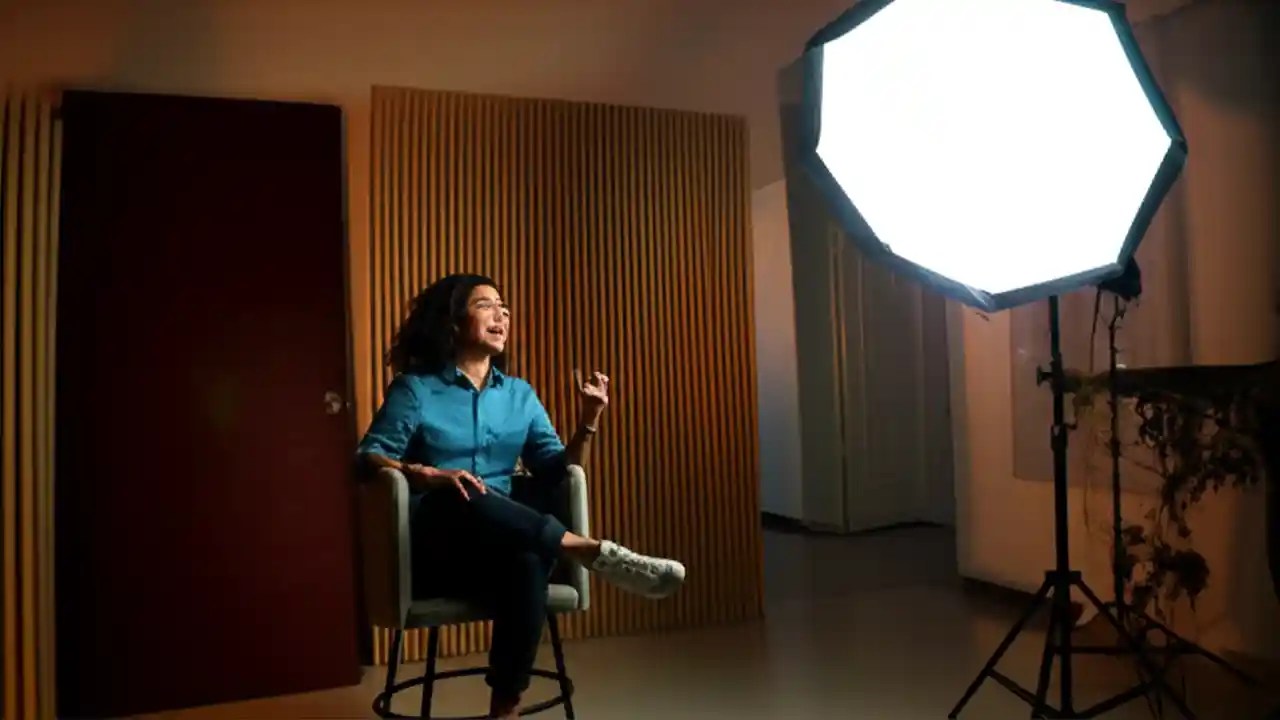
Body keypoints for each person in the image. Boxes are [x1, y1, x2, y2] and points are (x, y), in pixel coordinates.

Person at [356, 273, 686, 719]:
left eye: (504, 306)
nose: (502, 314)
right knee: (461, 489)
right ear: (453, 322)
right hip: (440, 551)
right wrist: (421, 472)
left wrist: (588, 420)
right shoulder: (416, 388)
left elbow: (557, 471)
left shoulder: (520, 394)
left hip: (502, 545)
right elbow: (368, 456)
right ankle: (587, 550)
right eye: (486, 305)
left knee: (530, 559)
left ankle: (504, 710)